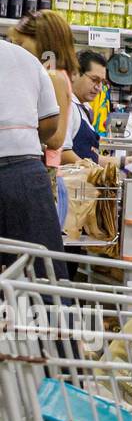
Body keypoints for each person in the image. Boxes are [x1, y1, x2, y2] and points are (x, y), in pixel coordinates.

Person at [0, 38, 68, 275]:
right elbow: (50, 123)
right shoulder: (25, 59)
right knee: (42, 278)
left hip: (23, 173)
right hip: (25, 175)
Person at [8, 11, 78, 227]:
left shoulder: (53, 76)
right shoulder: (42, 74)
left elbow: (56, 139)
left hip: (44, 178)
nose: (15, 49)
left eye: (20, 43)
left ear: (44, 43)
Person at [65, 50, 107, 163]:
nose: (99, 87)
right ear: (74, 74)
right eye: (94, 80)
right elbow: (62, 153)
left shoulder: (83, 108)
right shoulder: (67, 107)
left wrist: (123, 161)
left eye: (102, 82)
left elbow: (88, 156)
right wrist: (90, 170)